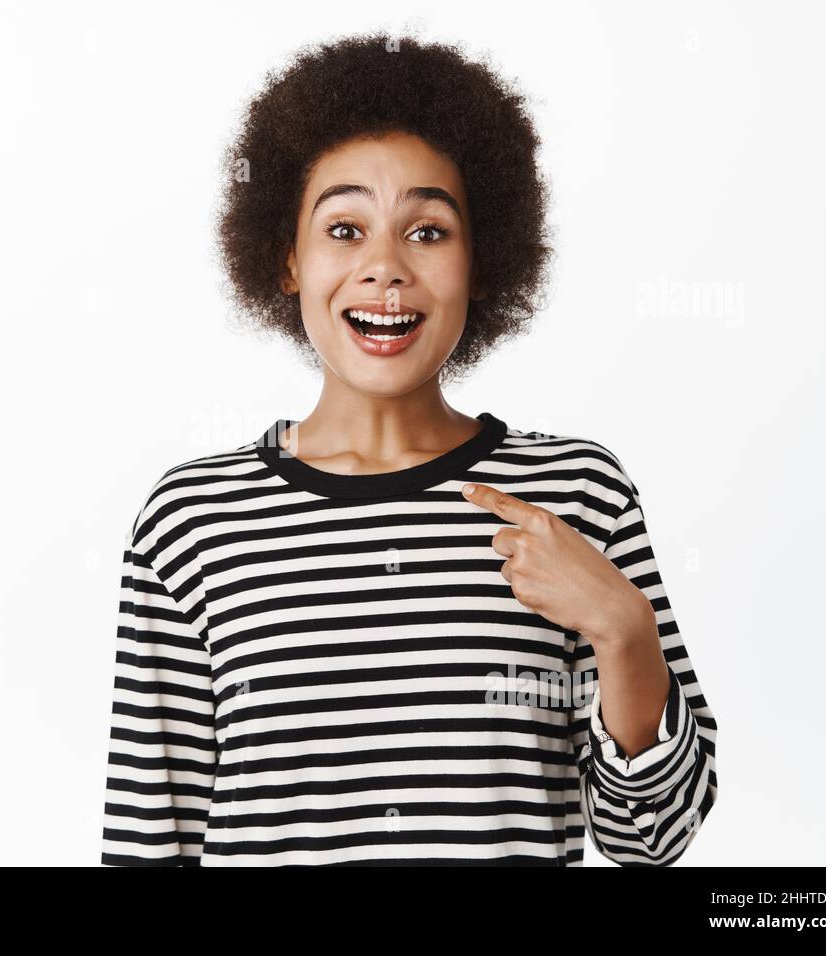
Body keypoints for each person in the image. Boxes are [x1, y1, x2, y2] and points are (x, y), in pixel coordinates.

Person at [100, 30, 717, 866]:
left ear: (483, 258)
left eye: (427, 232)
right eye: (345, 229)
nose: (384, 269)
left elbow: (653, 840)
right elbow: (148, 841)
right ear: (287, 258)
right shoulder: (192, 523)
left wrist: (624, 630)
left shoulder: (577, 494)